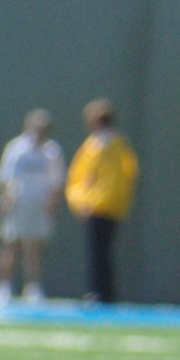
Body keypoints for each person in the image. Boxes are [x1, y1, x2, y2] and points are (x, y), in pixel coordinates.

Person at [65, 99, 137, 305]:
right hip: (110, 205)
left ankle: (99, 292)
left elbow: (83, 177)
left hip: (99, 206)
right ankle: (104, 292)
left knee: (98, 253)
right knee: (103, 252)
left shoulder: (100, 146)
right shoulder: (119, 146)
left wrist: (83, 201)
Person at [0, 110, 64, 306]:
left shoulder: (52, 151)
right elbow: (4, 176)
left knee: (34, 247)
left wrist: (52, 202)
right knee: (10, 244)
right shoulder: (16, 149)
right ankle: (3, 287)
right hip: (18, 203)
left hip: (39, 206)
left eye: (44, 129)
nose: (40, 132)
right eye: (37, 128)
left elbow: (57, 181)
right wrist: (6, 197)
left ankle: (33, 288)